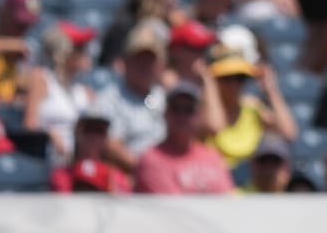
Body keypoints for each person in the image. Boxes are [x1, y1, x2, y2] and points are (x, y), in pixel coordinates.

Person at [91, 23, 169, 171]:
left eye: (150, 60)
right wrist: (149, 170)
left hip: (165, 173)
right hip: (128, 178)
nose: (145, 65)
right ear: (125, 62)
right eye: (139, 58)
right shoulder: (109, 99)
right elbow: (109, 144)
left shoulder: (162, 95)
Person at [202, 47, 297, 169]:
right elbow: (214, 127)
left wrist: (270, 89)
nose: (234, 84)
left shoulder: (252, 109)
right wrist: (208, 84)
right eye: (226, 78)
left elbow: (288, 133)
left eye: (240, 78)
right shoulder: (203, 112)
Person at [133, 83, 233, 194]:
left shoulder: (212, 157)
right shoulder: (151, 159)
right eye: (176, 109)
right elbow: (173, 208)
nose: (182, 116)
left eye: (189, 109)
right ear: (165, 114)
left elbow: (227, 201)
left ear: (199, 116)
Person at [22, 21, 98, 163]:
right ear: (63, 52)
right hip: (47, 161)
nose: (85, 53)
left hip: (78, 164)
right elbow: (30, 126)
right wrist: (49, 134)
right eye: (79, 48)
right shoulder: (42, 78)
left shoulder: (85, 91)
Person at [50, 109, 131, 193]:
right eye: (89, 129)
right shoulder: (62, 175)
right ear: (77, 132)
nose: (93, 136)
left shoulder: (116, 176)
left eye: (100, 130)